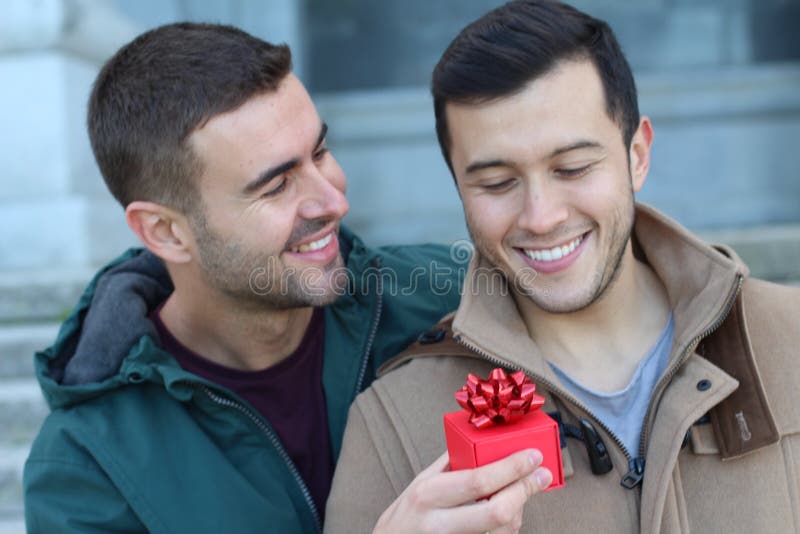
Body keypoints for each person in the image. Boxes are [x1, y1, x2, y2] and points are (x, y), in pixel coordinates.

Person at [324, 1, 800, 532]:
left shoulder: (793, 339)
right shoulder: (388, 424)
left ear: (637, 154)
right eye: (497, 183)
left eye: (572, 167)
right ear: (458, 187)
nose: (542, 217)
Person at [21, 22, 492, 533]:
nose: (334, 201)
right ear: (165, 231)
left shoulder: (450, 294)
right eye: (276, 186)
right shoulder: (87, 468)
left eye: (319, 153)